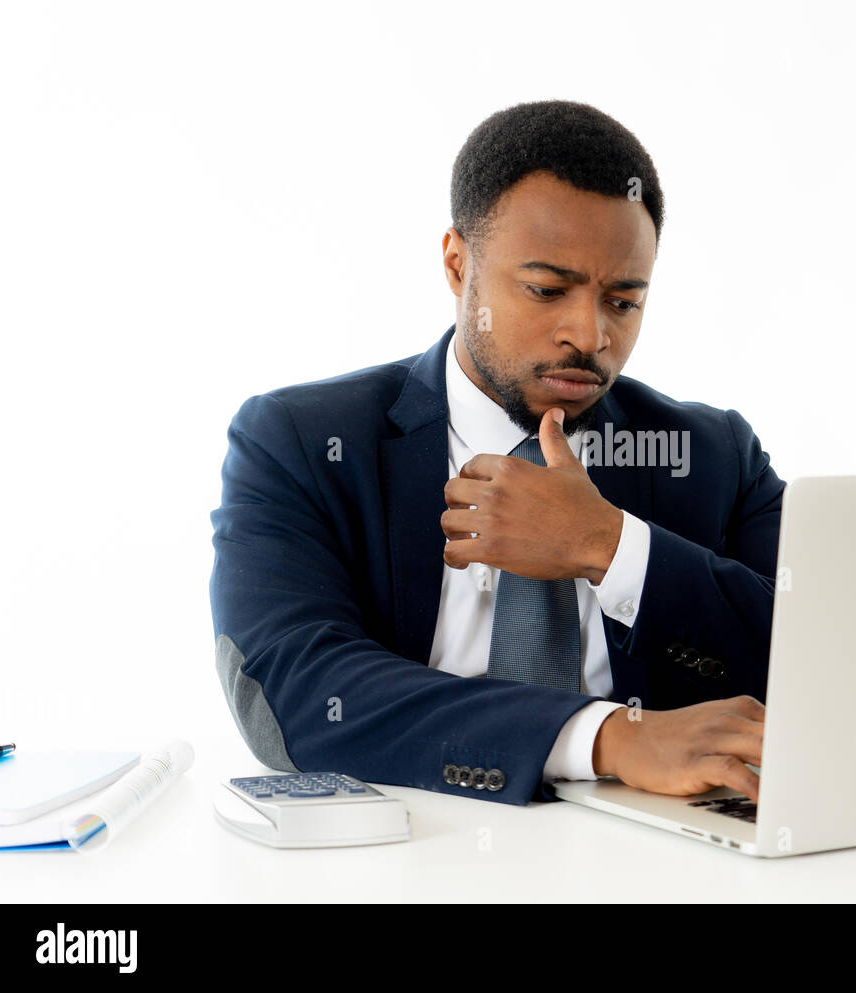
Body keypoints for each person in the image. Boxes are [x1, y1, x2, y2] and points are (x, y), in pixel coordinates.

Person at [209, 99, 784, 806]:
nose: (589, 333)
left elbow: (818, 654)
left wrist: (610, 544)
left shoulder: (713, 454)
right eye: (547, 289)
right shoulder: (300, 441)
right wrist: (606, 736)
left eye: (624, 302)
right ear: (458, 265)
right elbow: (294, 688)